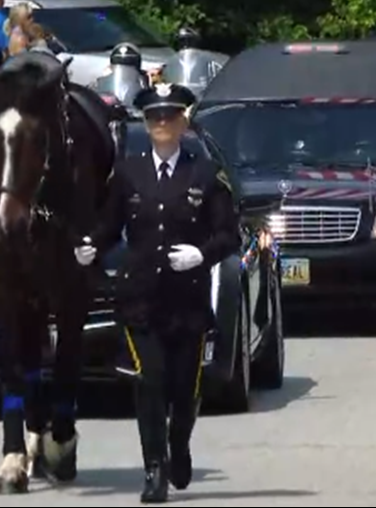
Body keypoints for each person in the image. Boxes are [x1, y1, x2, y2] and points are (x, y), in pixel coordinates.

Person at [73, 83, 239, 503]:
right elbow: (109, 225)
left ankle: (178, 442)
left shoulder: (204, 173)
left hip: (187, 298)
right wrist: (90, 244)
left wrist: (201, 255)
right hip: (141, 296)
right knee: (150, 381)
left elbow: (229, 236)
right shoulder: (128, 172)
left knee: (184, 388)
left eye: (169, 117)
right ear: (145, 125)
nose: (161, 124)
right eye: (153, 118)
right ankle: (154, 468)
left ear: (184, 122)